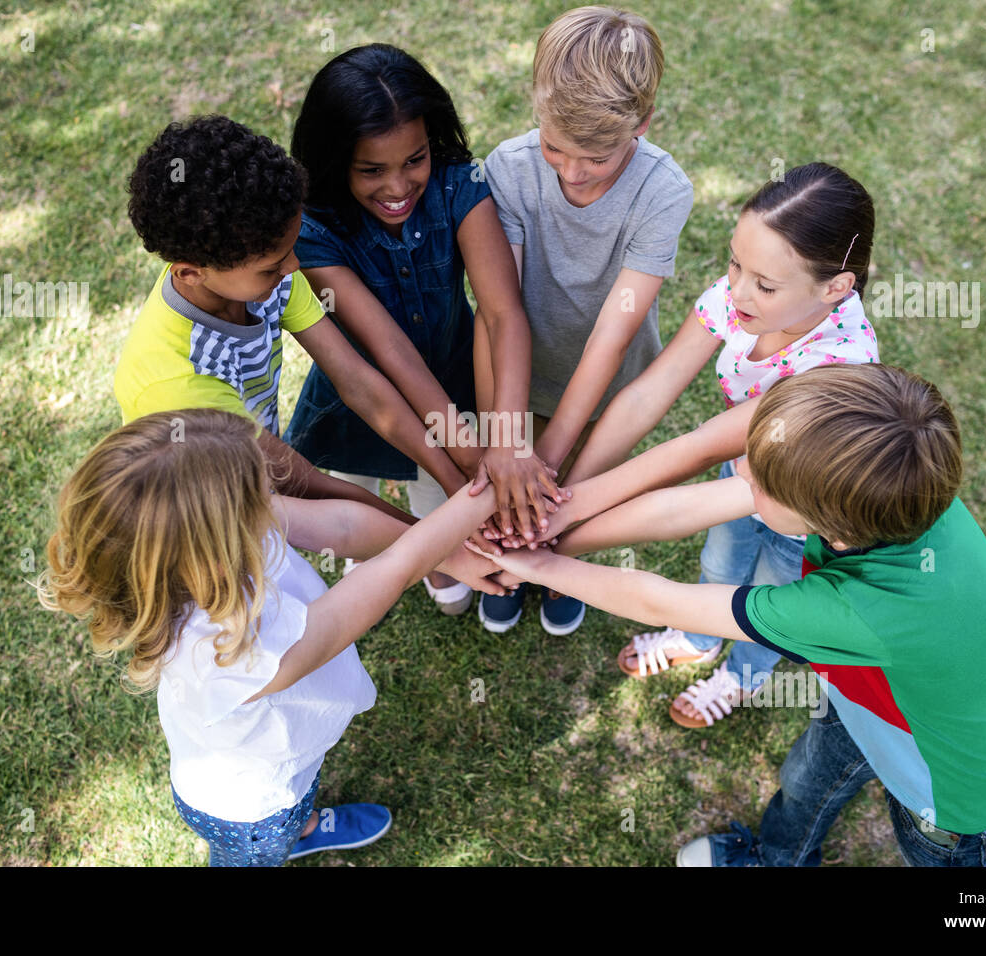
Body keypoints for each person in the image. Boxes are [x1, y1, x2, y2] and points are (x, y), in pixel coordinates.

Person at [469, 364, 986, 867]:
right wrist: (551, 542)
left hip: (948, 790)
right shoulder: (893, 487)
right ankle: (778, 857)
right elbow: (682, 509)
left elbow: (658, 600)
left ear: (833, 530)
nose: (742, 474)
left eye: (758, 482)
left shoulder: (852, 611)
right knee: (804, 783)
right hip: (869, 702)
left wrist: (542, 571)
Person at [40, 408, 506, 866]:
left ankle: (303, 827)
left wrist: (452, 557)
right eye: (262, 497)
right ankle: (292, 834)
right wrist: (480, 499)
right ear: (218, 551)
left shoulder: (206, 542)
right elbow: (382, 578)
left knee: (299, 791)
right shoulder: (224, 652)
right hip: (250, 812)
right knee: (259, 850)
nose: (273, 500)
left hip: (280, 763)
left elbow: (342, 527)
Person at [543, 163, 879, 727]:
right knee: (721, 559)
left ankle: (744, 674)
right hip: (743, 475)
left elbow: (692, 449)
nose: (737, 290)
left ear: (836, 288)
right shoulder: (739, 296)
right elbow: (648, 394)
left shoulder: (833, 368)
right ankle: (698, 637)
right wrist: (562, 494)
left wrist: (561, 521)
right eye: (734, 262)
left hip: (808, 516)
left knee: (772, 602)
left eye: (765, 284)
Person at [285, 44, 561, 617]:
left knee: (451, 560)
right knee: (352, 493)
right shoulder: (314, 230)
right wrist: (466, 451)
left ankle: (436, 553)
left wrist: (506, 438)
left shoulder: (461, 184)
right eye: (371, 170)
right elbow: (388, 352)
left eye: (414, 160)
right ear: (336, 161)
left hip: (454, 384)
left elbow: (503, 312)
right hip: (361, 398)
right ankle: (388, 545)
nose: (397, 186)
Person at [115, 115, 466, 526]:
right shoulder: (177, 383)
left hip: (252, 476)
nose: (295, 267)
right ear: (190, 273)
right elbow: (302, 483)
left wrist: (452, 480)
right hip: (193, 518)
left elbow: (357, 381)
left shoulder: (260, 269)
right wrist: (431, 537)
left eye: (292, 248)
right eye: (272, 266)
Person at [478, 5, 694, 635]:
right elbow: (500, 308)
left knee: (578, 489)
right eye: (554, 147)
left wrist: (541, 457)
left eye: (595, 158)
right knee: (523, 482)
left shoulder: (664, 191)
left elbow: (615, 326)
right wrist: (509, 438)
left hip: (610, 379)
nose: (570, 171)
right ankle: (513, 562)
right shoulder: (510, 170)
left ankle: (560, 565)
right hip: (522, 374)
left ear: (643, 124)